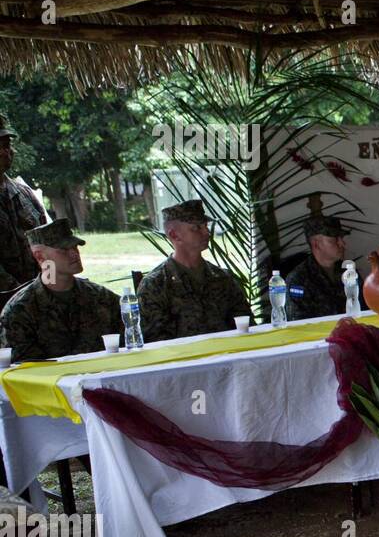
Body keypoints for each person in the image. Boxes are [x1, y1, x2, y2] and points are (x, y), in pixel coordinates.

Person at [0, 218, 120, 362]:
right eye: (64, 249)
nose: (75, 254)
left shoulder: (102, 298)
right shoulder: (20, 310)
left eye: (75, 247)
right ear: (40, 256)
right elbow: (21, 370)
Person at [137, 199, 252, 343]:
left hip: (227, 357)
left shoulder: (223, 278)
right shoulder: (156, 284)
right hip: (183, 362)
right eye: (196, 228)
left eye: (205, 226)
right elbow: (155, 342)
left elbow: (246, 325)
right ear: (174, 235)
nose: (206, 232)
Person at [0, 114, 50, 310]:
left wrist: (50, 286)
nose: (7, 152)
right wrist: (23, 294)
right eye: (1, 146)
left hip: (39, 302)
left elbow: (50, 246)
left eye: (7, 145)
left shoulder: (25, 195)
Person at [285, 215, 350, 320]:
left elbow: (366, 309)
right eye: (334, 240)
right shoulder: (298, 279)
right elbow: (297, 323)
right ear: (316, 244)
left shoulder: (348, 271)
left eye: (341, 238)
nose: (342, 244)